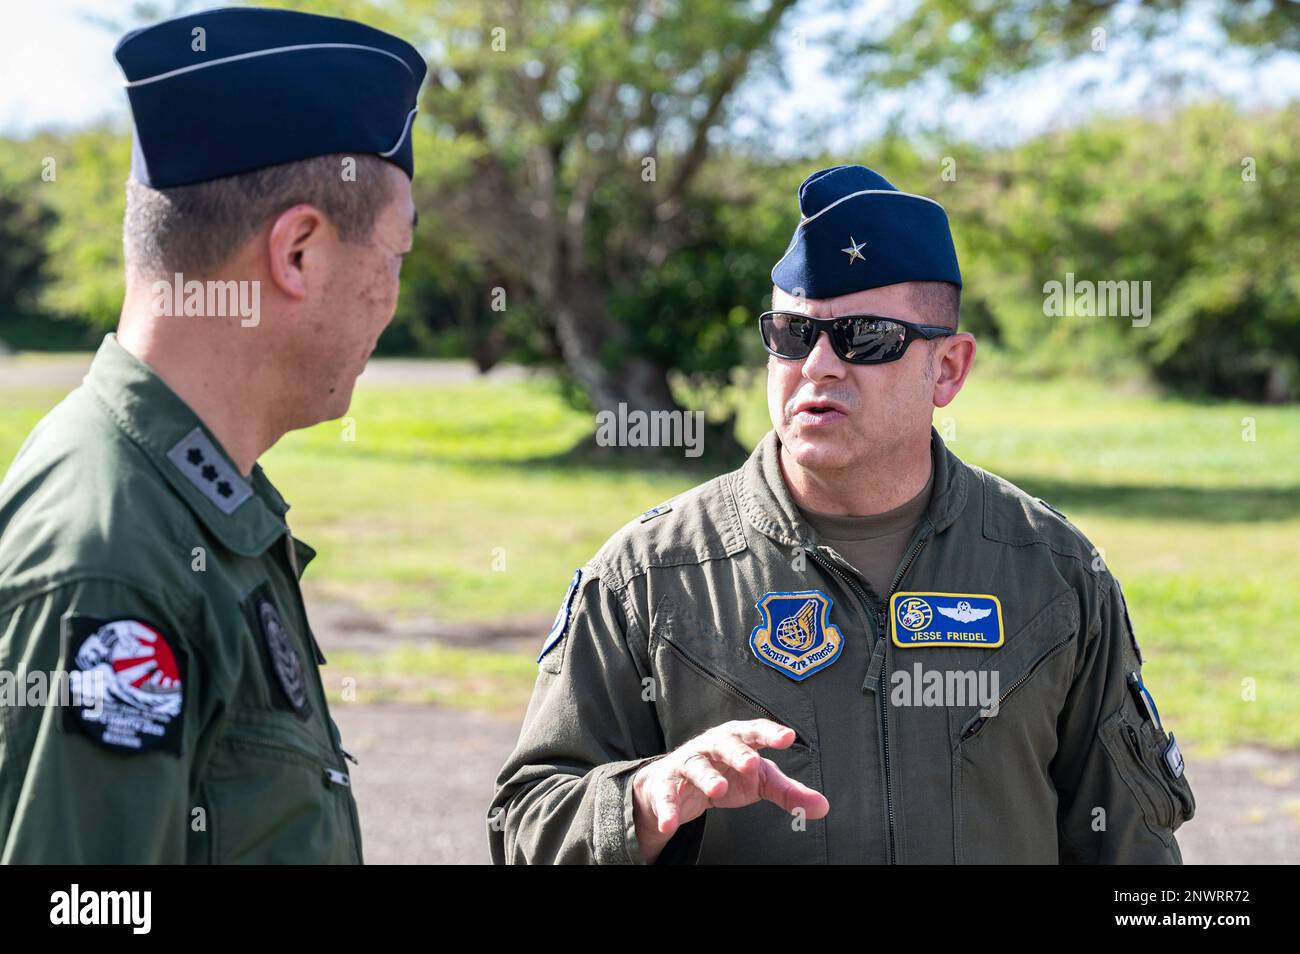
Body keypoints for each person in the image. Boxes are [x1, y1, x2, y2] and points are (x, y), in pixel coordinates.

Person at [488, 164, 1195, 864]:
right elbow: (527, 824)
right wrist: (644, 799)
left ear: (947, 368)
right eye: (794, 335)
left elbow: (1128, 841)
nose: (820, 365)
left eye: (866, 337)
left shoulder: (1054, 571)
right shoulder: (650, 576)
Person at [0, 7, 425, 863]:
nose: (394, 295)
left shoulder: (179, 503)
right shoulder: (113, 558)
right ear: (299, 253)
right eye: (396, 253)